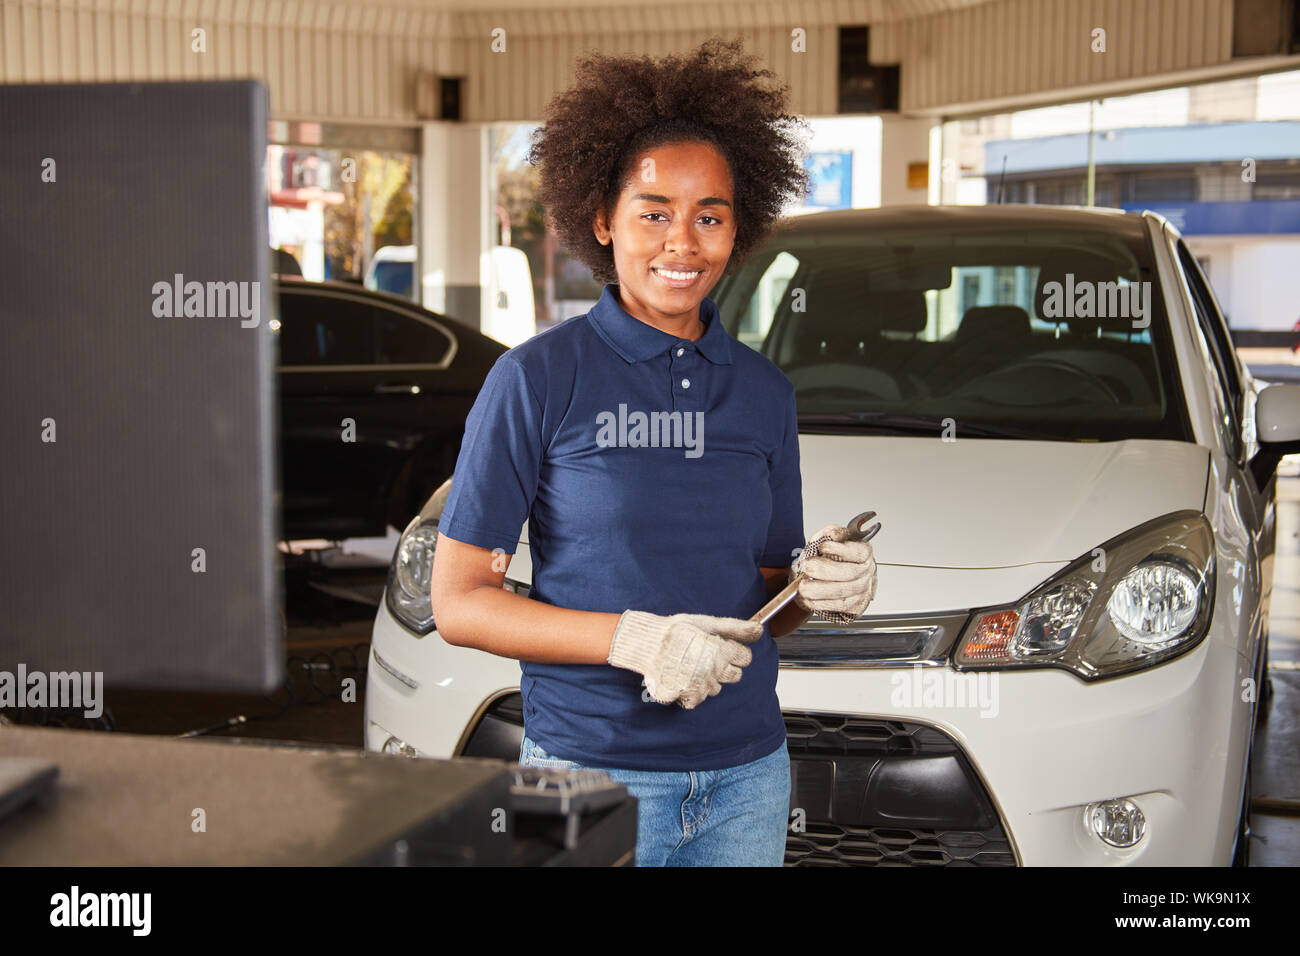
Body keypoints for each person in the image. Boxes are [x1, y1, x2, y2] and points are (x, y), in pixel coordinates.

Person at [430, 36, 878, 867]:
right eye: (654, 212)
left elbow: (771, 591)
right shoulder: (536, 379)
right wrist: (634, 641)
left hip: (746, 775)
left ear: (737, 229)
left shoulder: (763, 393)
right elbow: (459, 603)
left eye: (709, 215)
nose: (683, 243)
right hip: (589, 775)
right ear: (603, 220)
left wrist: (822, 585)